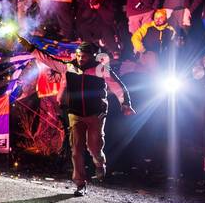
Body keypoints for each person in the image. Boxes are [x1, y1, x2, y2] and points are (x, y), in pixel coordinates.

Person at [22, 39, 135, 194]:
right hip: (75, 113)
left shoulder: (100, 69)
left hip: (96, 113)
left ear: (92, 56)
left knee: (94, 147)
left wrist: (125, 104)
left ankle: (99, 163)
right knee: (76, 150)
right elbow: (47, 59)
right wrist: (30, 48)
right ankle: (80, 184)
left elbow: (118, 86)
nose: (81, 59)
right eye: (79, 55)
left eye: (84, 56)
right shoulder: (69, 66)